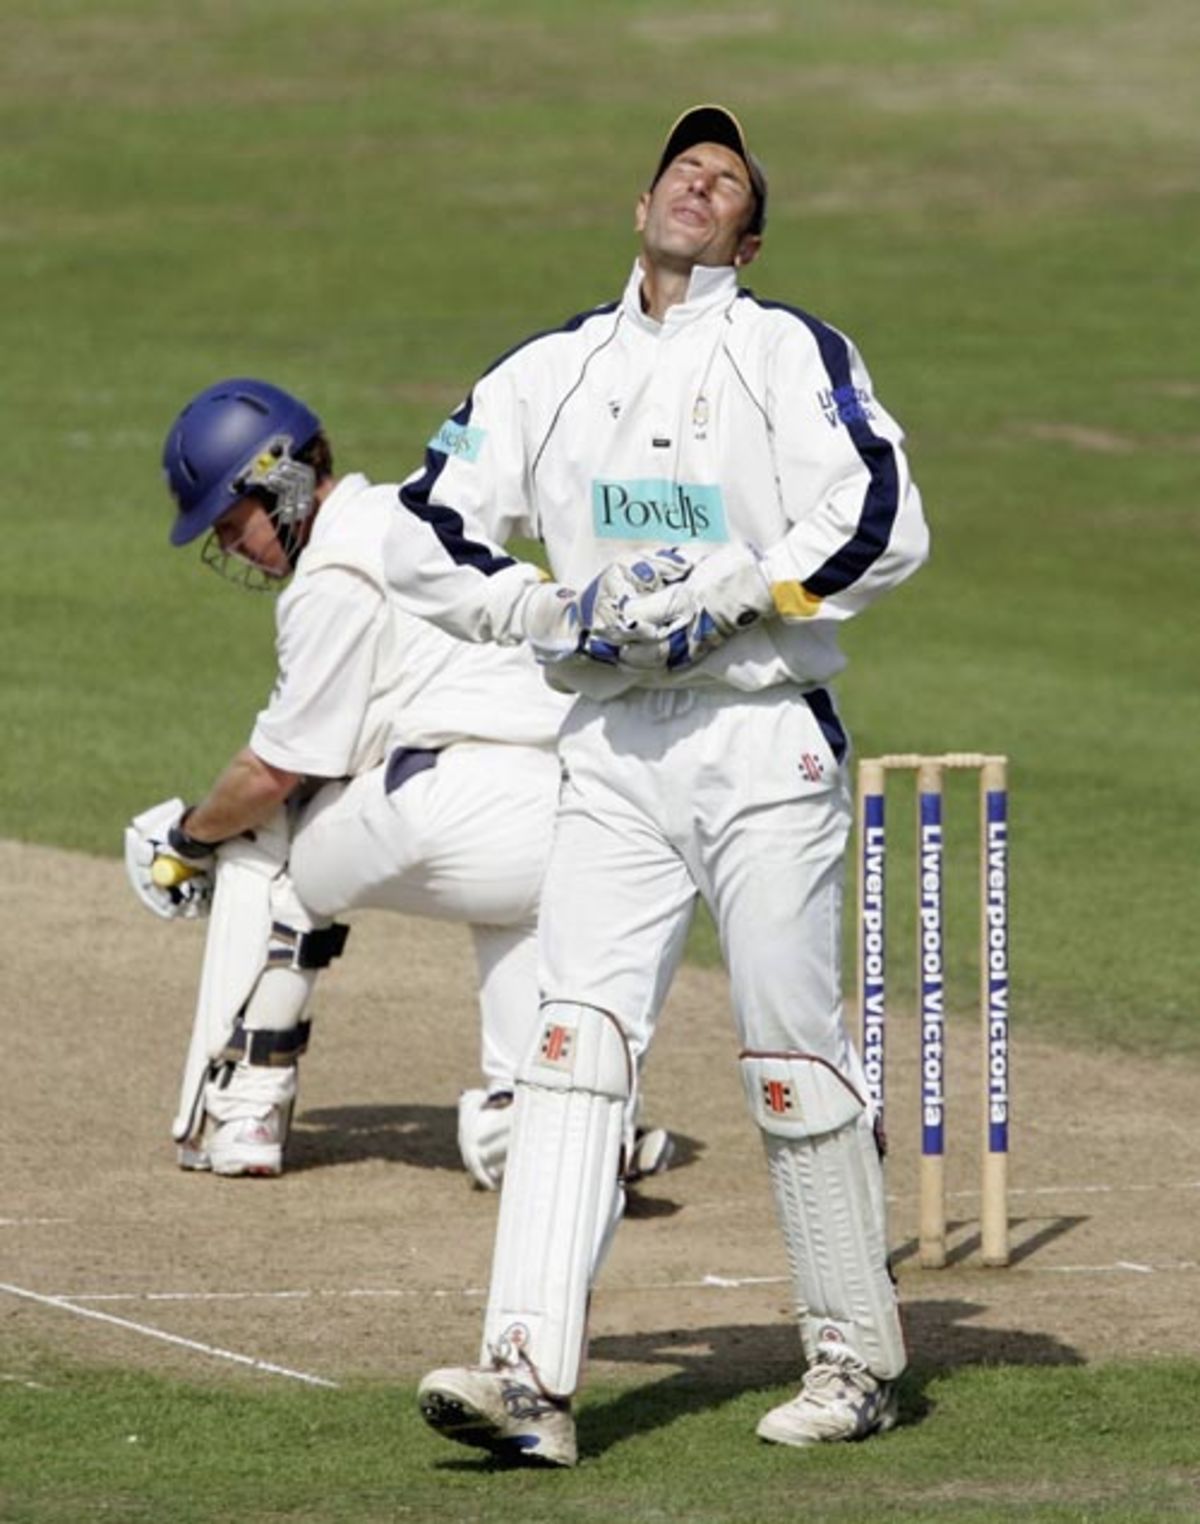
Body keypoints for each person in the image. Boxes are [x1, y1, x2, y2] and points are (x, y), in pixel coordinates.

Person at [382, 104, 930, 1463]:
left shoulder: (784, 348)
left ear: (750, 230)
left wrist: (740, 592)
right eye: (681, 168)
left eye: (727, 177)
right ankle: (528, 1378)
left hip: (759, 739)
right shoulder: (553, 369)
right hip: (613, 748)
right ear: (641, 208)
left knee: (788, 1054)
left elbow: (880, 520)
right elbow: (425, 529)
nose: (700, 182)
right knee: (571, 1049)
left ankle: (854, 1358)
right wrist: (551, 613)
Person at [123, 375, 675, 1189]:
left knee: (268, 837)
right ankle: (534, 1123)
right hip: (575, 806)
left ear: (279, 479)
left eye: (233, 524)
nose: (232, 547)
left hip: (449, 802)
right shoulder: (419, 512)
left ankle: (247, 1108)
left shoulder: (332, 576)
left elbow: (277, 768)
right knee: (512, 921)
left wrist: (186, 837)